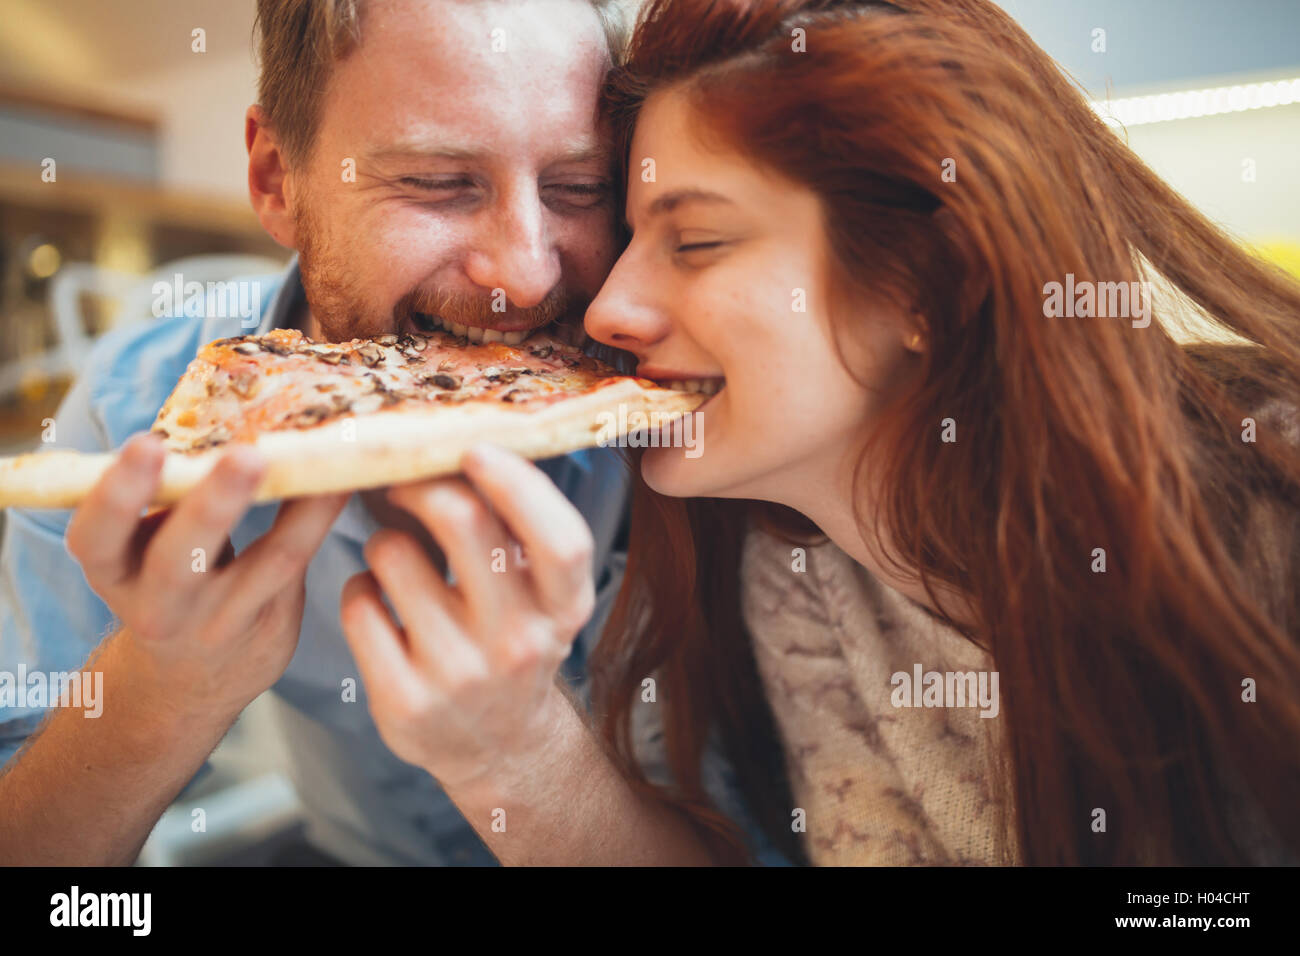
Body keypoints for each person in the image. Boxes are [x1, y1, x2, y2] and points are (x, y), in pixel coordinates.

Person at [339, 0, 1300, 865]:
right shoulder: (798, 573)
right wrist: (513, 748)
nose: (606, 310)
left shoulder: (1272, 524)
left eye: (697, 241)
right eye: (629, 239)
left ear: (932, 281)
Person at [0, 0, 690, 867]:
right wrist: (161, 690)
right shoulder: (139, 419)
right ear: (276, 179)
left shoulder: (693, 409)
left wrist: (526, 756)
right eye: (440, 183)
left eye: (579, 189)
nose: (524, 269)